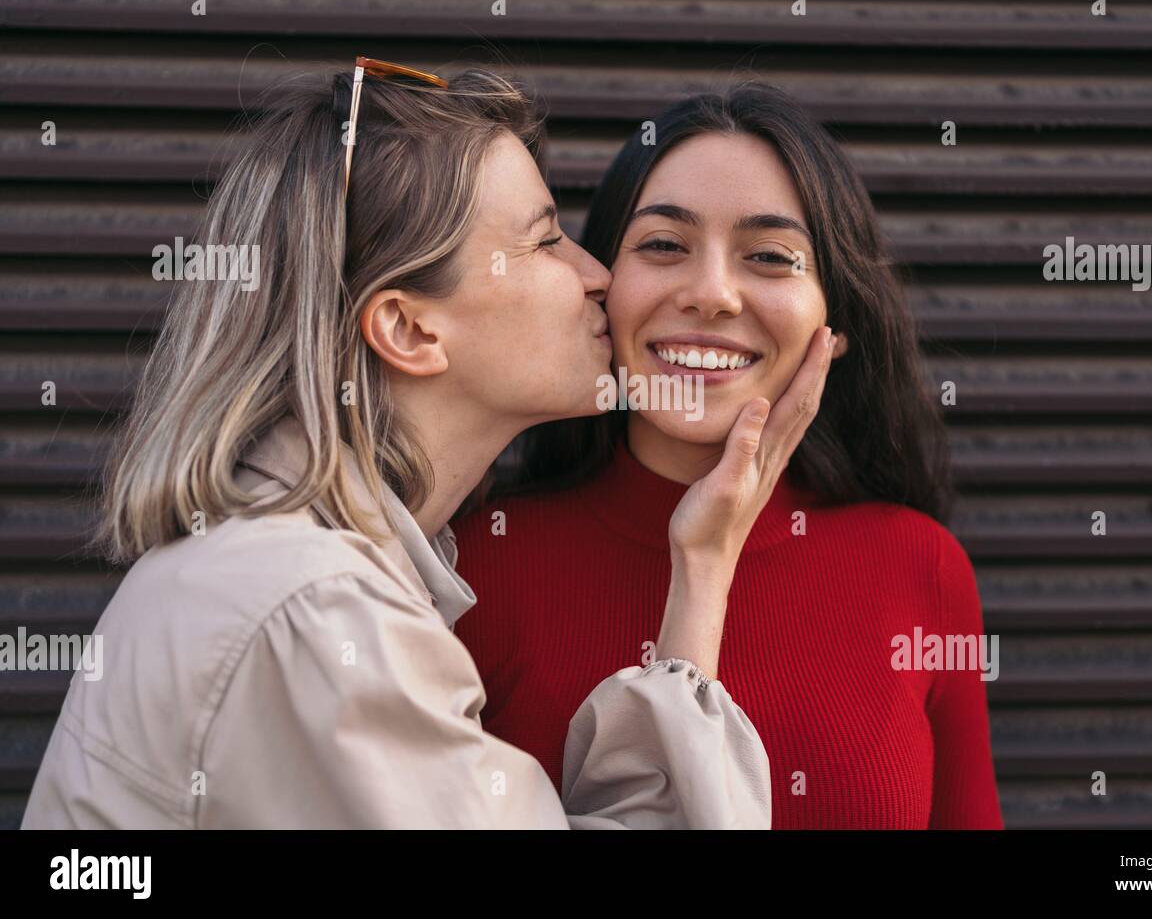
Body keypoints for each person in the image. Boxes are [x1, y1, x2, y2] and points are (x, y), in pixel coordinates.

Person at [21, 61, 832, 829]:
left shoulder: (301, 575)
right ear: (409, 329)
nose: (596, 275)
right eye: (547, 240)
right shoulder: (317, 613)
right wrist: (705, 571)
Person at [453, 83, 1004, 829]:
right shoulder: (479, 565)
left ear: (834, 322)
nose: (711, 293)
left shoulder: (921, 568)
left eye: (771, 257)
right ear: (599, 290)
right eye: (663, 245)